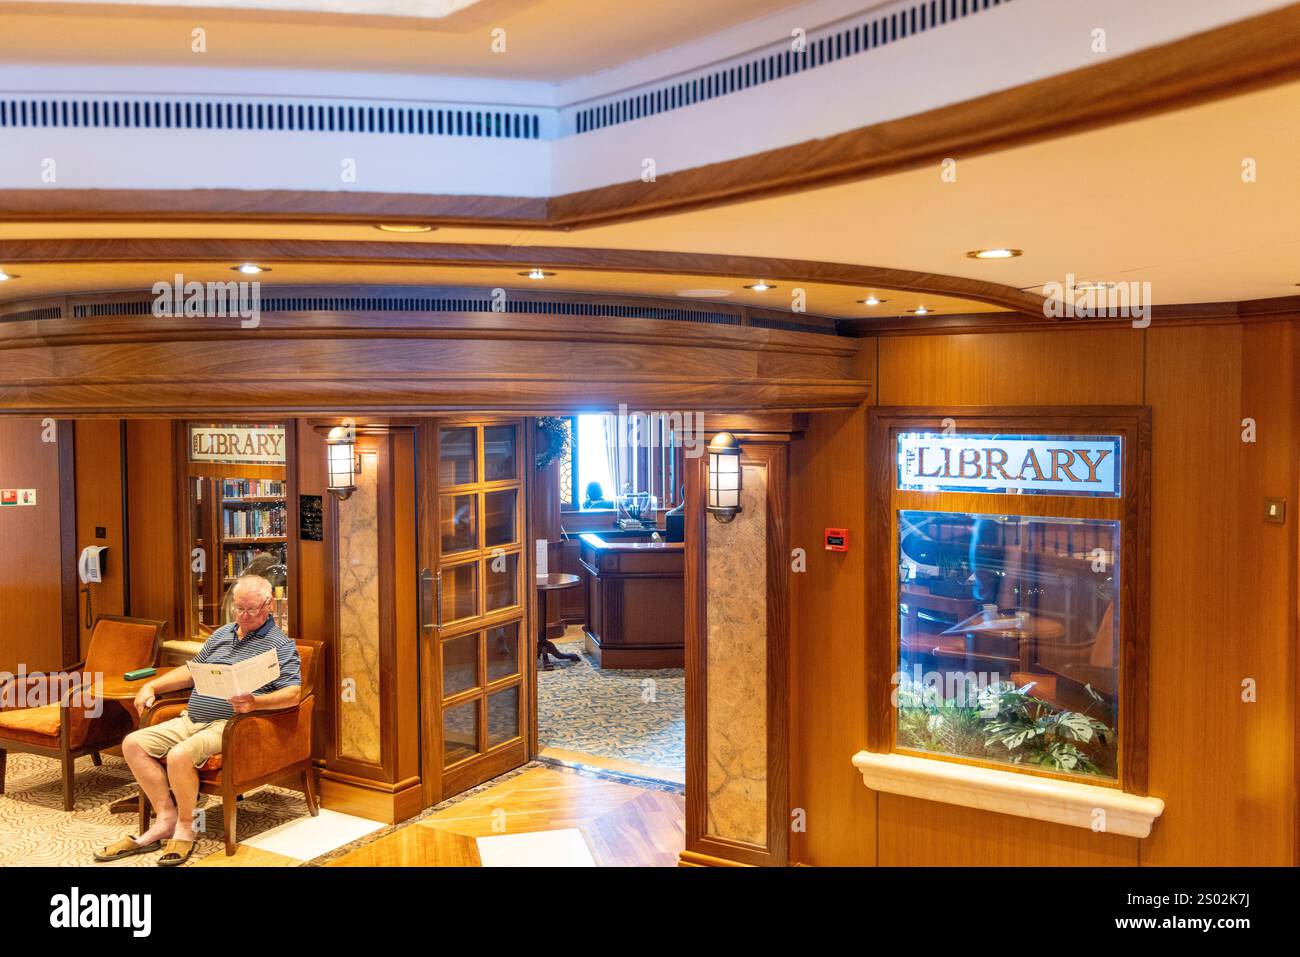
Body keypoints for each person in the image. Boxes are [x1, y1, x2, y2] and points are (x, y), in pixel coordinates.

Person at [93, 574, 301, 866]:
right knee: (133, 744)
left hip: (232, 725)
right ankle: (166, 818)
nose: (243, 616)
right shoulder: (221, 634)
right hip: (192, 717)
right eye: (238, 608)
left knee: (181, 755)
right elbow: (192, 671)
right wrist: (152, 686)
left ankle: (186, 829)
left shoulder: (280, 645)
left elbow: (293, 693)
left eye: (250, 610)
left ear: (268, 605)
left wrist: (256, 701)